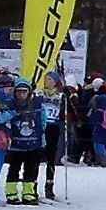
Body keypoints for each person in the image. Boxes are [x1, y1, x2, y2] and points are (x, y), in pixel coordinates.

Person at [1, 78, 45, 204]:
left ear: (29, 92)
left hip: (33, 143)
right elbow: (5, 121)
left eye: (24, 92)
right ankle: (11, 193)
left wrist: (42, 138)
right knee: (14, 169)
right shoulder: (10, 105)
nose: (21, 95)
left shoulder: (37, 105)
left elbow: (43, 122)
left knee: (30, 170)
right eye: (19, 92)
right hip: (16, 144)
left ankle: (28, 193)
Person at [37, 72, 66, 201]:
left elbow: (64, 112)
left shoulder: (60, 96)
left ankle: (49, 186)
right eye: (46, 79)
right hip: (41, 127)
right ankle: (32, 184)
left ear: (55, 82)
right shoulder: (40, 93)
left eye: (50, 79)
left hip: (53, 127)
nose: (47, 82)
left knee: (51, 157)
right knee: (37, 156)